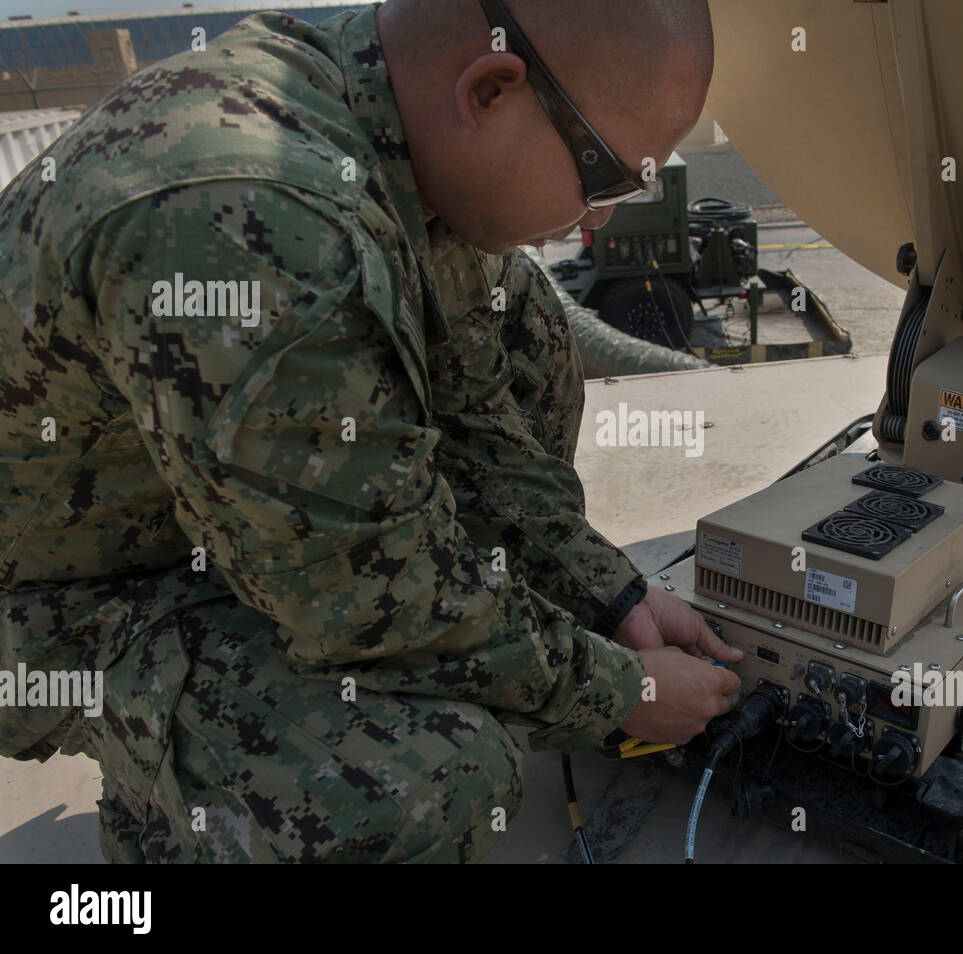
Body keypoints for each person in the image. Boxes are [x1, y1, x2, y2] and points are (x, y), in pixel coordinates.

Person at [0, 0, 740, 863]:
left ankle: (461, 644)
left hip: (239, 518)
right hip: (74, 604)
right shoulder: (248, 217)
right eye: (606, 177)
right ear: (491, 91)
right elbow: (359, 602)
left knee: (523, 316)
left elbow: (478, 422)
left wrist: (611, 595)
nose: (599, 221)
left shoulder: (387, 111)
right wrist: (614, 692)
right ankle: (168, 807)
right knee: (429, 778)